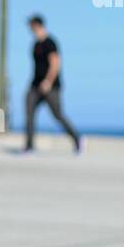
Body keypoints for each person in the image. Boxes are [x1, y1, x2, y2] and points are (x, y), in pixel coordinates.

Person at [23, 15, 81, 153]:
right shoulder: (35, 44)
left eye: (31, 26)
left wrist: (48, 81)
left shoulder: (50, 42)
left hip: (51, 87)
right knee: (29, 112)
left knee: (57, 115)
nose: (30, 29)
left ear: (38, 25)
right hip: (35, 85)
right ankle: (29, 146)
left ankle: (77, 139)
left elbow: (55, 63)